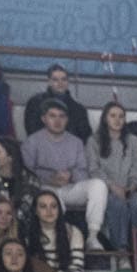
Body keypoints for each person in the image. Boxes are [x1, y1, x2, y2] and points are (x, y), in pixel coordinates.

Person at [22, 98, 109, 249]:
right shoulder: (32, 142)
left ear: (67, 119)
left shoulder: (76, 142)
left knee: (98, 185)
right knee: (52, 199)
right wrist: (50, 178)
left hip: (70, 187)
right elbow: (28, 172)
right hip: (44, 187)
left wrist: (70, 176)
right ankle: (58, 240)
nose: (57, 120)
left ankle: (93, 237)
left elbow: (83, 171)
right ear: (44, 119)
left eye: (62, 116)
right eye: (52, 116)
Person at [86, 101, 137, 260]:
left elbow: (136, 167)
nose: (117, 120)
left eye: (121, 116)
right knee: (118, 205)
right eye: (113, 115)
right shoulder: (94, 141)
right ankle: (121, 253)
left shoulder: (133, 140)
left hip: (130, 188)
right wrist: (112, 186)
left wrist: (132, 186)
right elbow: (94, 169)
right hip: (106, 189)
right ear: (105, 118)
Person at [22, 64, 93, 140]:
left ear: (68, 82)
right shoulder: (35, 103)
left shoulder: (79, 109)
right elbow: (32, 130)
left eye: (64, 79)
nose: (60, 83)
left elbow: (85, 136)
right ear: (49, 82)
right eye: (55, 79)